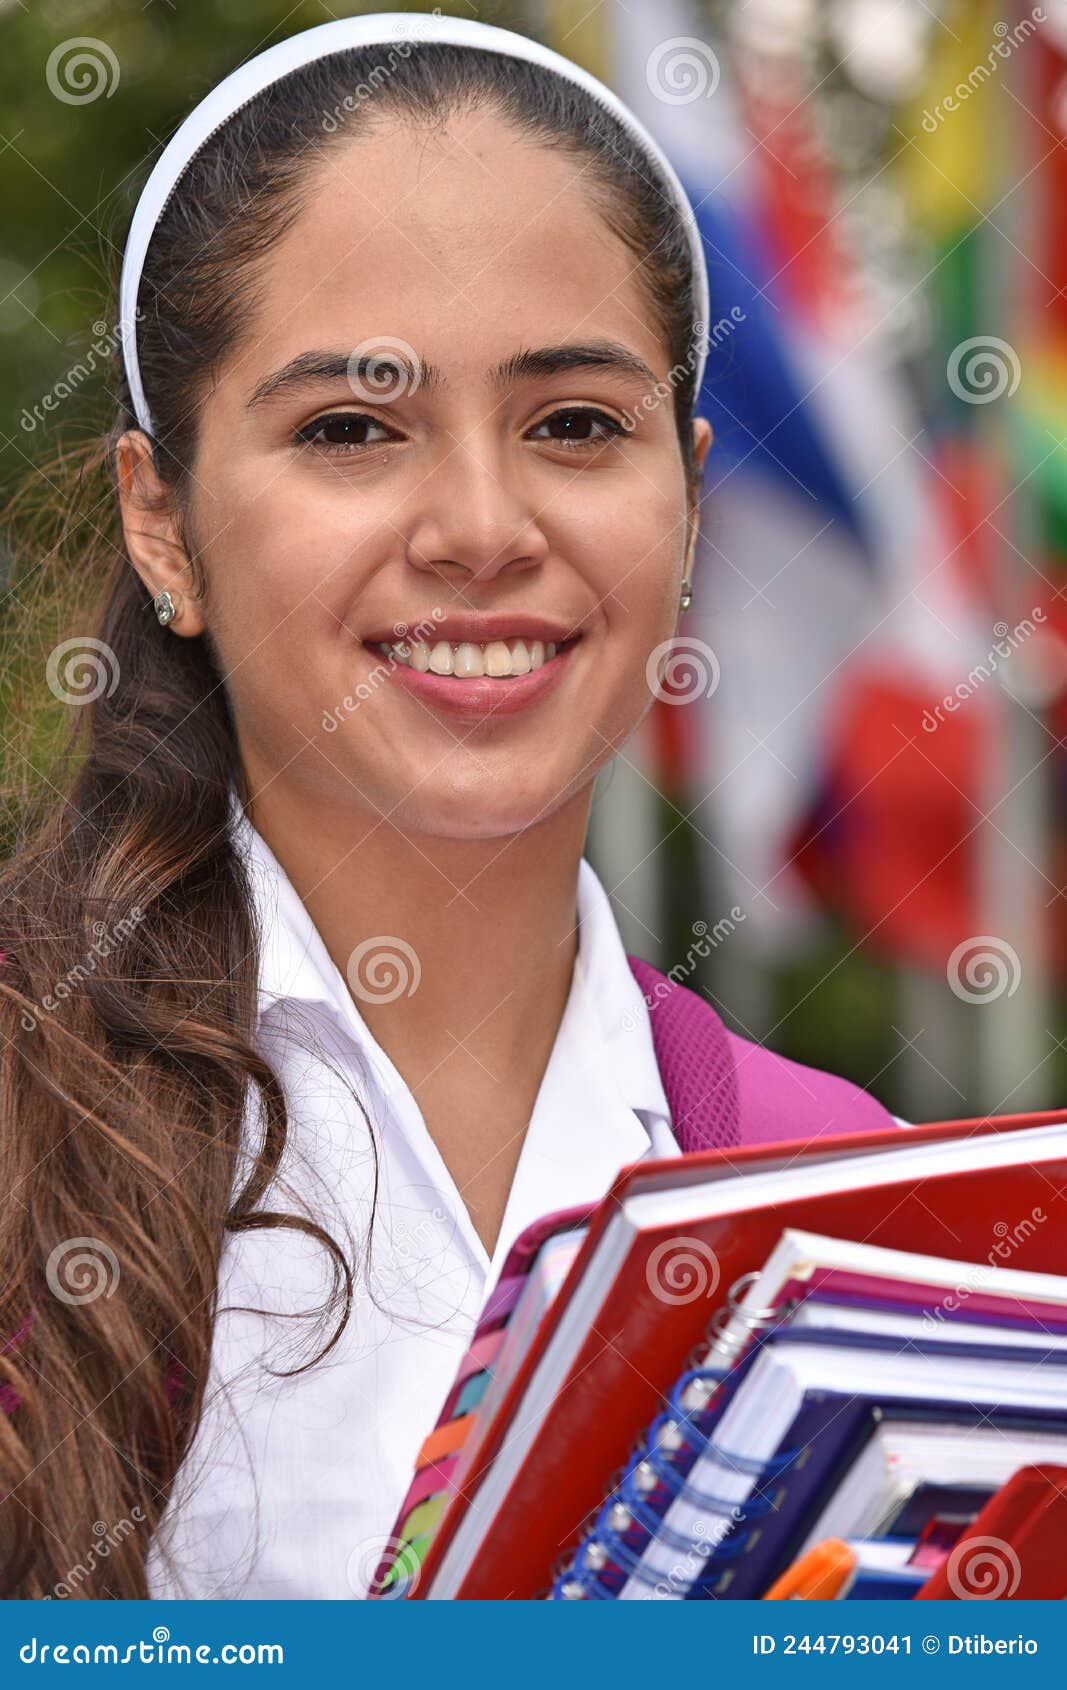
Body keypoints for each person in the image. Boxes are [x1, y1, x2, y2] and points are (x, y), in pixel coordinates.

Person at [0, 13, 897, 1600]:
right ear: (162, 522)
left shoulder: (862, 1198)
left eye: (575, 425)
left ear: (687, 500)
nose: (484, 526)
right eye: (350, 428)